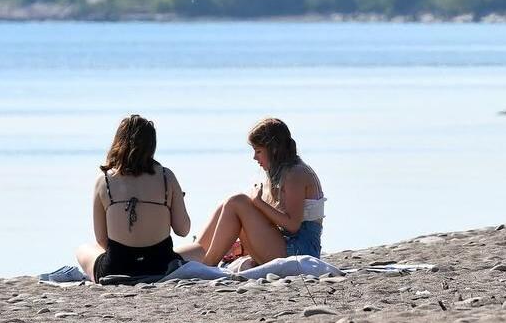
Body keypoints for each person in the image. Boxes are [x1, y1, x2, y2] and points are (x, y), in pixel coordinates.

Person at [177, 118, 325, 267]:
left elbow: (293, 226)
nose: (255, 157)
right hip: (284, 244)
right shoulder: (281, 172)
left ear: (274, 149)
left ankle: (207, 266)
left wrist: (259, 203)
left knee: (237, 202)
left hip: (299, 251)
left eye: (258, 151)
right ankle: (172, 259)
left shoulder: (296, 173)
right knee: (227, 205)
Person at [75, 115, 191, 282]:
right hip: (161, 265)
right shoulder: (166, 176)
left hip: (116, 268)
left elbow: (102, 240)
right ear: (152, 145)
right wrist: (178, 200)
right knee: (198, 250)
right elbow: (183, 230)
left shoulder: (104, 181)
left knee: (82, 249)